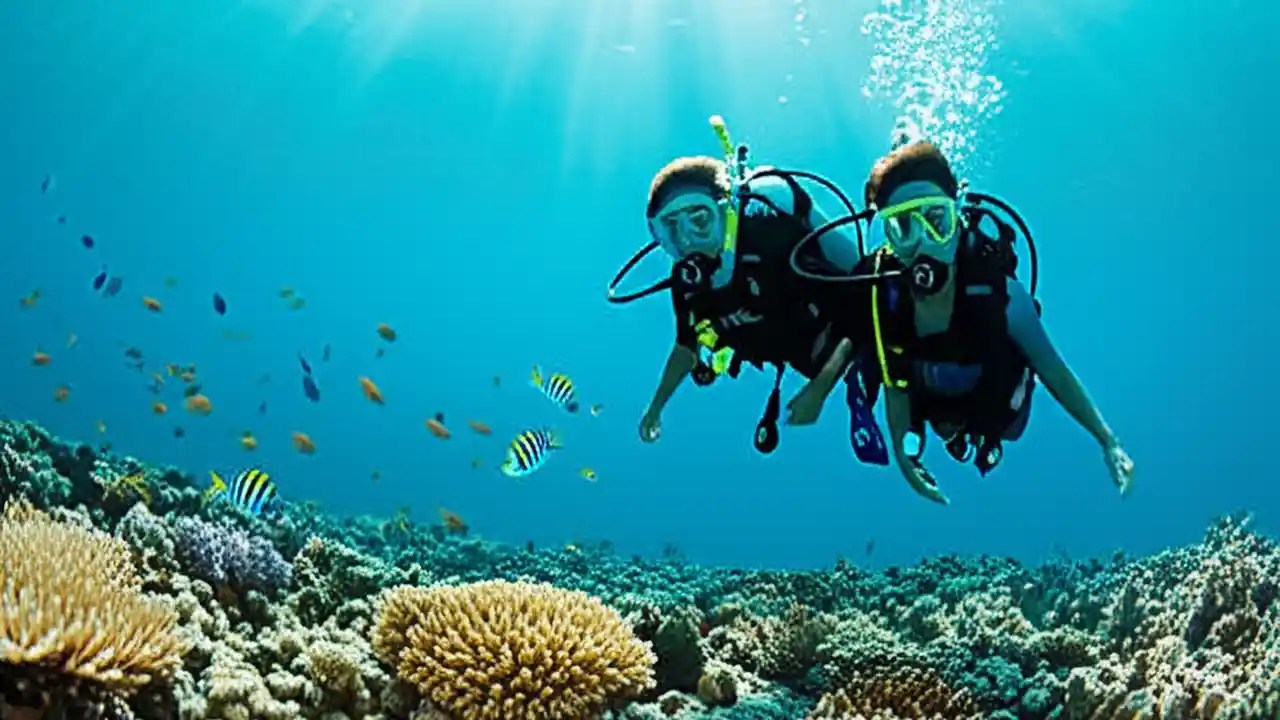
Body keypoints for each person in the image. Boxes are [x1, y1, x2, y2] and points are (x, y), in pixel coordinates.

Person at [821, 140, 1135, 504]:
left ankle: (964, 433)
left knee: (1008, 422)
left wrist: (1108, 440)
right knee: (881, 366)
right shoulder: (885, 296)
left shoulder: (1002, 295)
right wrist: (907, 464)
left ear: (958, 214)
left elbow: (1055, 371)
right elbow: (895, 384)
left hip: (988, 394)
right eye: (902, 227)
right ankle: (929, 435)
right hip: (926, 396)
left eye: (936, 221)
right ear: (888, 239)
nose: (923, 245)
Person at [606, 117, 878, 458]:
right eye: (672, 229)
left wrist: (820, 389)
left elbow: (859, 307)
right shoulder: (687, 281)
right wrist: (655, 408)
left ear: (725, 212)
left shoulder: (771, 238)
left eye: (700, 220)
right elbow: (685, 347)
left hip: (836, 338)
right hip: (785, 348)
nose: (688, 238)